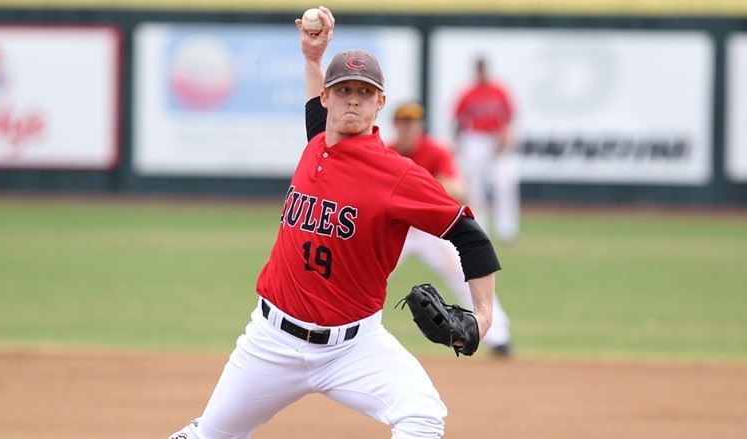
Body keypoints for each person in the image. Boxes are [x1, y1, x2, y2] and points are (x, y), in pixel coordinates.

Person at [167, 7, 501, 439]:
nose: (354, 100)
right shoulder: (316, 145)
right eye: (343, 90)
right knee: (209, 434)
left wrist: (484, 317)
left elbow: (470, 236)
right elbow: (314, 114)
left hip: (354, 347)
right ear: (327, 98)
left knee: (423, 416)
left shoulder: (397, 174)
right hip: (270, 343)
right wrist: (311, 58)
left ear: (381, 102)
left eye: (365, 91)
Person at [388, 102, 513, 357]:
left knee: (463, 272)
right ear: (396, 126)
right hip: (394, 230)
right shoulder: (387, 152)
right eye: (403, 122)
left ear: (421, 126)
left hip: (428, 231)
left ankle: (498, 336)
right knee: (368, 273)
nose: (408, 128)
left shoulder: (435, 152)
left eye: (413, 122)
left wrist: (423, 188)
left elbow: (457, 188)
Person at [453, 57, 520, 243]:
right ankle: (480, 227)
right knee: (475, 187)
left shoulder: (499, 90)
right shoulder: (469, 92)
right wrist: (458, 143)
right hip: (476, 139)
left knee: (505, 184)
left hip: (496, 136)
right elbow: (459, 120)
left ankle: (506, 230)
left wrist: (506, 136)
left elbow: (509, 117)